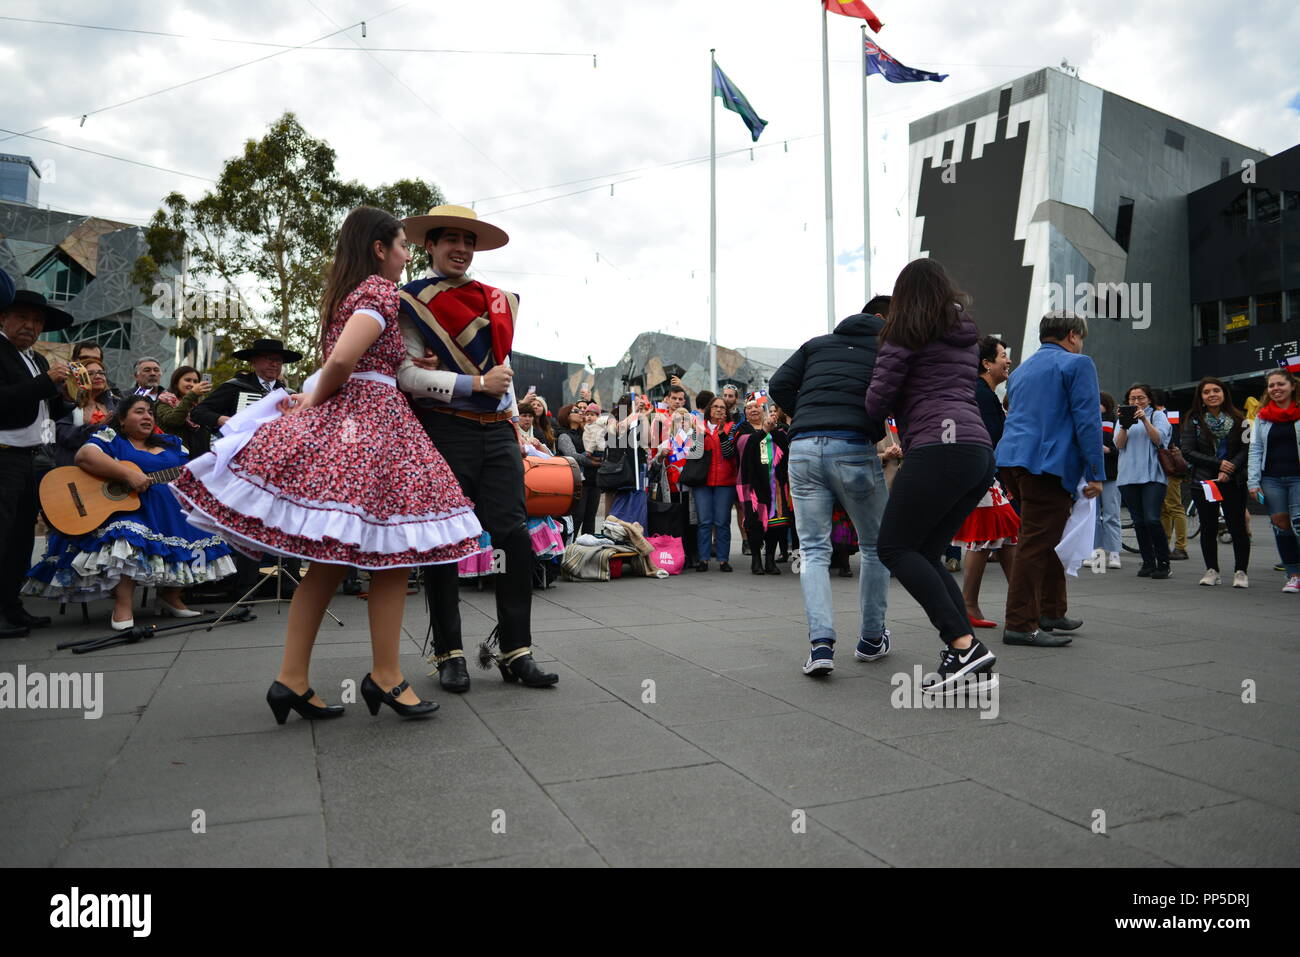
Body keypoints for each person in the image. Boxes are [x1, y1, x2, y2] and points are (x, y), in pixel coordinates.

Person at [174, 206, 483, 723]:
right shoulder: (380, 291)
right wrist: (315, 406)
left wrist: (396, 366)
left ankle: (292, 679)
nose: (408, 256)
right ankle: (384, 675)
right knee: (394, 551)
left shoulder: (348, 295)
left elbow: (352, 357)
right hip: (375, 424)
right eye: (403, 245)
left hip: (357, 417)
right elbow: (341, 362)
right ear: (380, 249)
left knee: (331, 558)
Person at [395, 204, 558, 692]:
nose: (461, 250)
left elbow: (502, 376)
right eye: (451, 240)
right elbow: (407, 374)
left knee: (513, 539)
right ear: (430, 245)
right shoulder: (409, 300)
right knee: (443, 541)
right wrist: (472, 383)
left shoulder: (499, 300)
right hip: (443, 430)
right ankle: (450, 654)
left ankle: (516, 651)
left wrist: (511, 417)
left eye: (469, 242)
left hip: (497, 432)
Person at [867, 260, 999, 695]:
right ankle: (967, 650)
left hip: (937, 446)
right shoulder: (963, 333)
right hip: (977, 451)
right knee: (924, 549)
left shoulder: (905, 330)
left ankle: (963, 646)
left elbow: (878, 399)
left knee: (894, 547)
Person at [25, 395, 236, 623]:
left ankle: (170, 597)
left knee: (206, 530)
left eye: (150, 412)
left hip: (169, 511)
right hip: (125, 511)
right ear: (122, 420)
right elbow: (85, 456)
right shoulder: (111, 437)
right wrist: (127, 474)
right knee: (129, 535)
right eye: (139, 411)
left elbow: (188, 476)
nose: (147, 416)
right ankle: (123, 605)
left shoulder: (172, 442)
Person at [769, 295, 890, 675]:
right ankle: (871, 637)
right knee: (874, 545)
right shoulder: (886, 349)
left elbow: (778, 384)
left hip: (803, 446)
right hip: (853, 445)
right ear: (882, 318)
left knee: (814, 550)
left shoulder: (816, 344)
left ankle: (821, 645)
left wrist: (804, 409)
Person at [995, 310, 1104, 647]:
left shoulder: (1022, 369)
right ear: (1072, 335)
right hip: (1048, 464)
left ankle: (1052, 610)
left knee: (1045, 535)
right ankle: (1020, 623)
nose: (1081, 342)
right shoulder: (1078, 364)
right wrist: (1097, 473)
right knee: (1036, 543)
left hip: (1013, 459)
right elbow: (1088, 422)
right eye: (1081, 336)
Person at [190, 337, 303, 598]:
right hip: (245, 466)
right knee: (248, 522)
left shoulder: (288, 393)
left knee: (286, 521)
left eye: (278, 361)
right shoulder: (236, 389)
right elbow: (200, 412)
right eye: (268, 359)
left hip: (279, 468)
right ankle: (245, 586)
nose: (274, 364)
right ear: (254, 362)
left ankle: (289, 583)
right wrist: (224, 419)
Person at [0, 289, 73, 637]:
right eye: (23, 318)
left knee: (21, 538)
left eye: (38, 321)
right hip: (4, 454)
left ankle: (11, 606)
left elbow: (47, 409)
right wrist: (45, 382)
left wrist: (70, 399)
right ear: (4, 318)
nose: (31, 326)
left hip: (31, 457)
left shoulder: (38, 359)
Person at [954, 335, 1019, 629]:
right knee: (993, 530)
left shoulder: (984, 393)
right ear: (986, 363)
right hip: (980, 474)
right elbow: (986, 440)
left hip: (982, 474)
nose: (1008, 361)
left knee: (1007, 532)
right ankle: (970, 604)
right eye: (1003, 355)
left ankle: (1024, 604)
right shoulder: (980, 394)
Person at [1181, 376, 1250, 587]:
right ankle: (1212, 570)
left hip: (1233, 481)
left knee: (1237, 527)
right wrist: (1219, 464)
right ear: (1201, 397)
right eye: (1206, 392)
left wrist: (1230, 468)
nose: (1212, 395)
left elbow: (1246, 449)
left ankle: (1241, 572)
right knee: (1209, 527)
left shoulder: (1242, 419)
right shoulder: (1192, 420)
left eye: (1216, 390)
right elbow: (1188, 451)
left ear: (1224, 393)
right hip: (1204, 482)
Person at [1247, 368, 1300, 592]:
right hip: (1272, 479)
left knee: (1299, 522)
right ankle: (1294, 575)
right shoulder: (1262, 415)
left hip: (1298, 477)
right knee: (1281, 526)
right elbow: (1255, 448)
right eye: (1271, 385)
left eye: (1281, 384)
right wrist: (1253, 481)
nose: (1276, 389)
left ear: (1292, 386)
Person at [1116, 382, 1173, 579]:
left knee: (1152, 518)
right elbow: (1119, 444)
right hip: (1128, 475)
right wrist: (1124, 425)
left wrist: (1145, 421)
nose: (1136, 401)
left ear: (1149, 399)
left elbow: (1159, 440)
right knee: (1139, 521)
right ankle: (1148, 562)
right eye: (1132, 398)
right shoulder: (1123, 418)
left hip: (1152, 475)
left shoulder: (1158, 416)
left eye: (1140, 398)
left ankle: (1163, 561)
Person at [733, 398, 792, 574]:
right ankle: (756, 560)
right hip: (752, 485)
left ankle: (770, 560)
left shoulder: (777, 427)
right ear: (745, 414)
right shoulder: (741, 430)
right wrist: (763, 432)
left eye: (756, 407)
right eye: (749, 408)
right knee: (754, 523)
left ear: (763, 409)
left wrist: (772, 430)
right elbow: (745, 445)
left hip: (776, 484)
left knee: (776, 524)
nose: (753, 410)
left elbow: (785, 444)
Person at [690, 396, 738, 571]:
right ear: (709, 410)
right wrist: (700, 437)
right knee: (704, 521)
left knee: (722, 521)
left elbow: (729, 454)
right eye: (716, 407)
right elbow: (692, 454)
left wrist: (721, 434)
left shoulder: (732, 428)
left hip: (725, 482)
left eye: (723, 408)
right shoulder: (698, 428)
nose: (719, 410)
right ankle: (703, 559)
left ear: (726, 412)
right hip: (702, 481)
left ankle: (723, 559)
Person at [53, 357, 113, 467]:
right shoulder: (67, 404)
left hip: (108, 465)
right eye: (90, 373)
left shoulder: (114, 403)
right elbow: (67, 437)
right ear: (78, 379)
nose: (98, 376)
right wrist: (99, 427)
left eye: (101, 373)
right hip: (74, 467)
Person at [1156, 390, 1190, 561]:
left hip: (1169, 467)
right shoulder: (1172, 415)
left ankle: (1181, 547)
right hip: (1161, 468)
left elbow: (1172, 440)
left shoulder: (1167, 416)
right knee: (1164, 508)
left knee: (1174, 506)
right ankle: (1165, 545)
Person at [155, 365, 214, 458]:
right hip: (176, 458)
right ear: (176, 382)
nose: (192, 384)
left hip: (198, 459)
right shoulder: (165, 401)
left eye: (195, 382)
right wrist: (192, 395)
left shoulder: (197, 406)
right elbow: (174, 420)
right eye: (188, 380)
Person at [1093, 391, 1123, 569]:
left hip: (1111, 473)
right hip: (1092, 473)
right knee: (1094, 517)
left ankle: (1114, 553)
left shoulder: (1115, 420)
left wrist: (1108, 450)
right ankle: (1095, 552)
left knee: (1112, 514)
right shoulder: (1086, 419)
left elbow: (1121, 447)